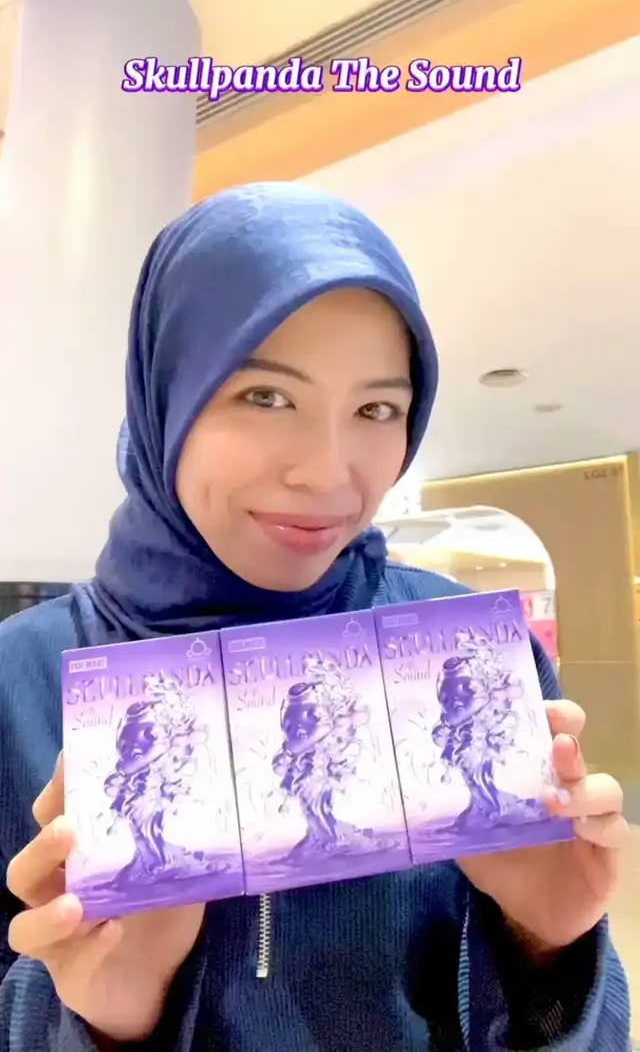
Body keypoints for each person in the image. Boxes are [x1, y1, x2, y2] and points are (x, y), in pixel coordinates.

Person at [0, 182, 630, 1052]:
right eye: (265, 396)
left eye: (376, 409)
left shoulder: (465, 652)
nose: (328, 474)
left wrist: (548, 953)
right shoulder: (21, 681)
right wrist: (102, 1021)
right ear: (166, 393)